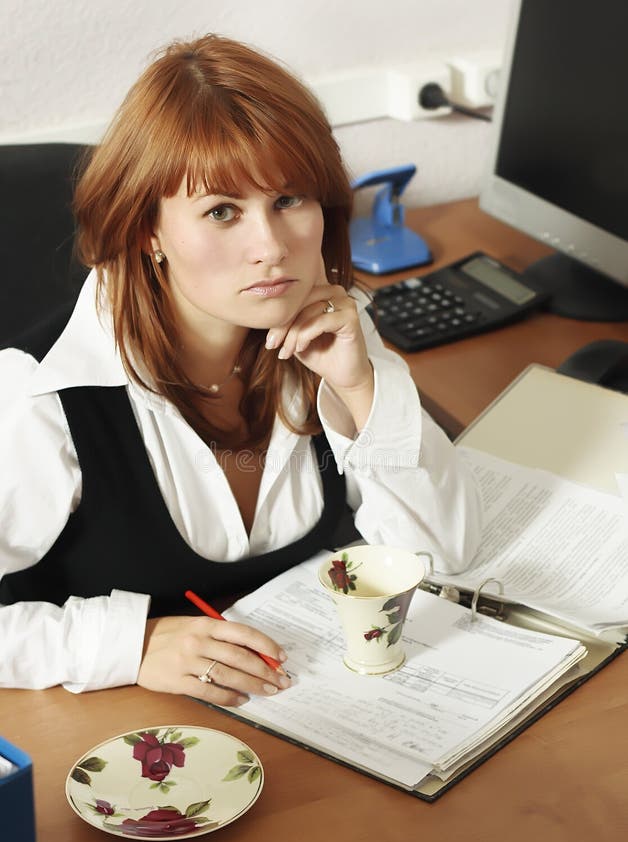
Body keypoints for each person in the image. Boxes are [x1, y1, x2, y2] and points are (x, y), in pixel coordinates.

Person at [0, 34, 482, 704]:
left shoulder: (331, 327)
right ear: (149, 230)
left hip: (310, 704)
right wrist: (127, 644)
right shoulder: (40, 396)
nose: (272, 248)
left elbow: (445, 557)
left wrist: (360, 387)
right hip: (119, 732)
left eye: (289, 200)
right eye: (222, 211)